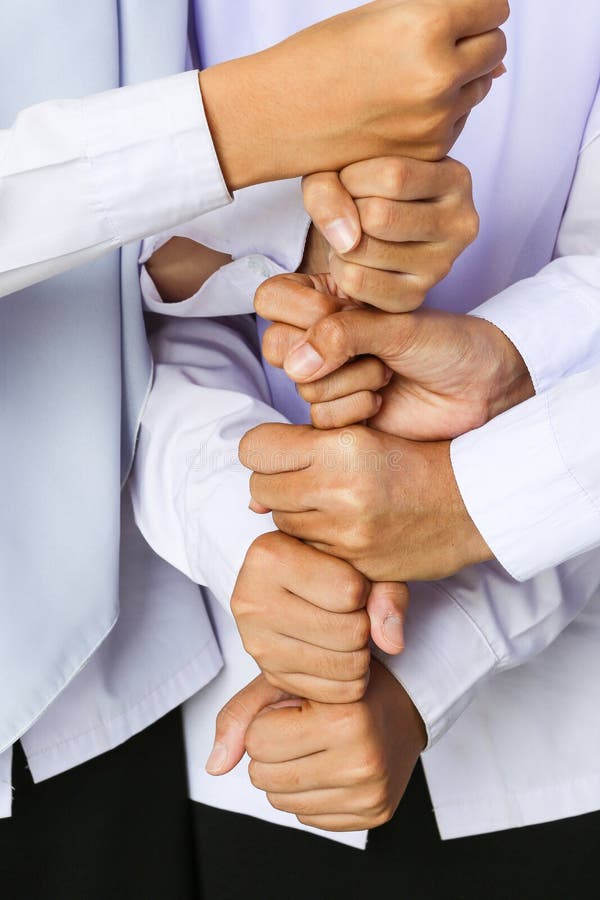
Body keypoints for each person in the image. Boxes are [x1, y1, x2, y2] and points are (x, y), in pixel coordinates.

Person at [0, 2, 509, 897]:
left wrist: (306, 238)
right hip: (155, 678)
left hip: (119, 692)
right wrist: (255, 118)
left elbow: (129, 301)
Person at [129, 3, 600, 896]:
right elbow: (133, 311)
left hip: (564, 722)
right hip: (243, 713)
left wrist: (457, 520)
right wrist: (250, 528)